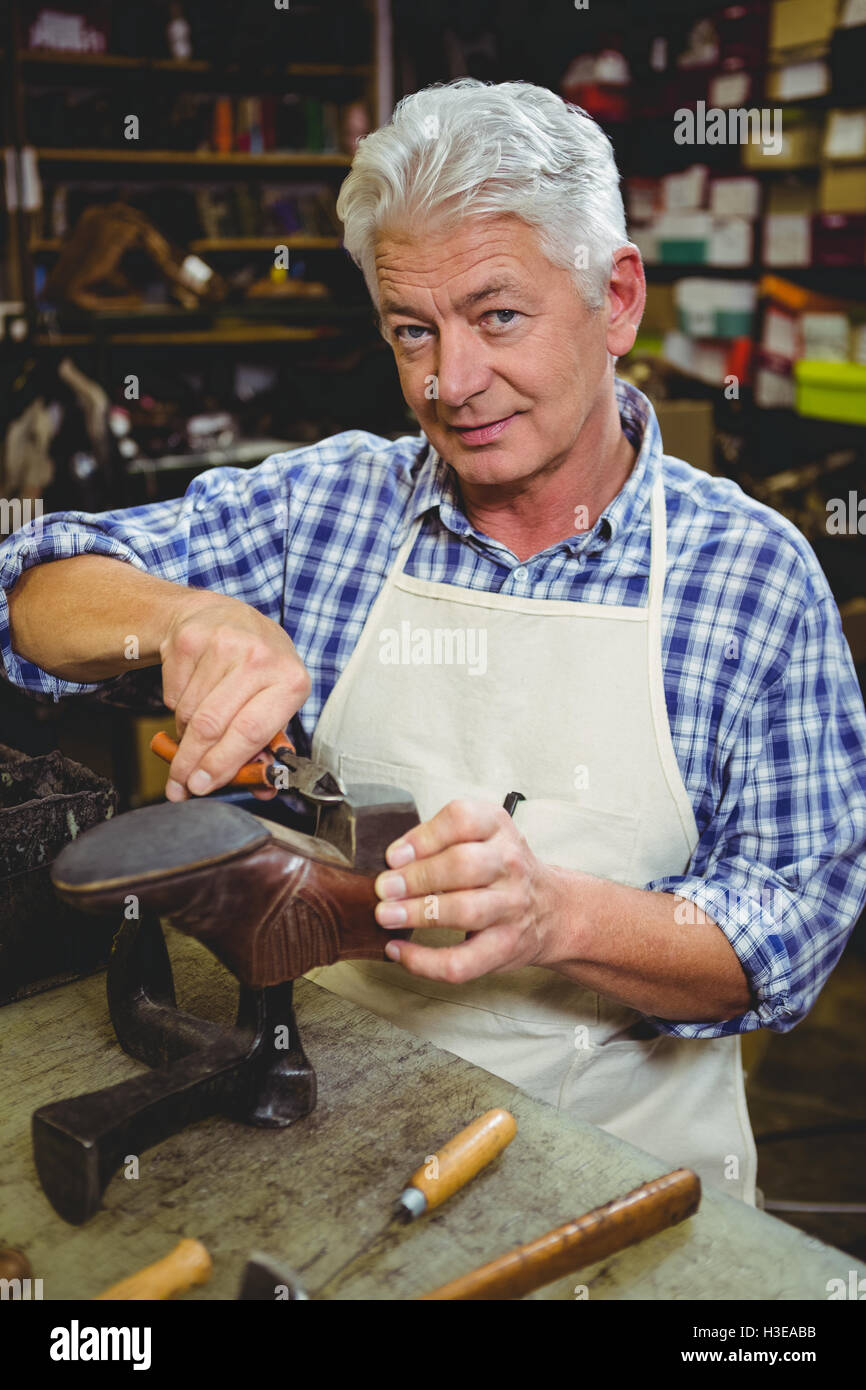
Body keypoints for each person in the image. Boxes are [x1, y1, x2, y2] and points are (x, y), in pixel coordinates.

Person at [3, 81, 865, 1205]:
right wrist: (186, 618)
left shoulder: (749, 576)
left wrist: (556, 914)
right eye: (413, 330)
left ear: (614, 301)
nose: (447, 384)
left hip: (630, 1190)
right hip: (329, 1149)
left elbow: (790, 932)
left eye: (496, 316)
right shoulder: (328, 507)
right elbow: (30, 588)